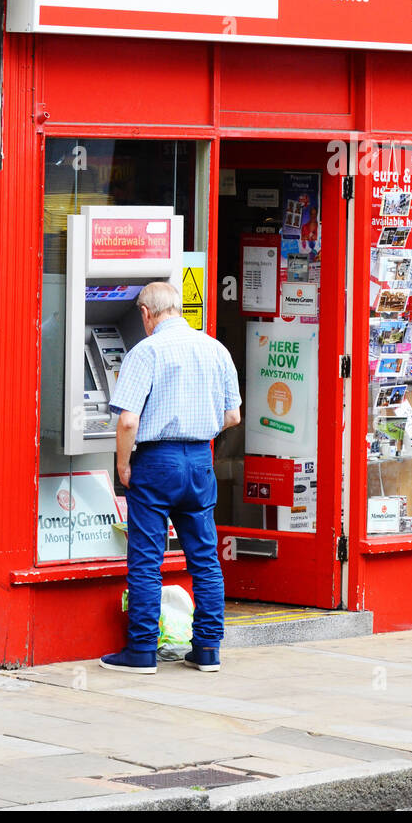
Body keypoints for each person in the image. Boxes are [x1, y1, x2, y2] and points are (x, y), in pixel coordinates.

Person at [100, 281, 241, 675]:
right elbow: (233, 417)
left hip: (156, 461)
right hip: (199, 459)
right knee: (205, 559)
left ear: (146, 314)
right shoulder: (216, 349)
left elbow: (128, 420)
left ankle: (142, 651)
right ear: (177, 309)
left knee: (146, 560)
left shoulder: (146, 352)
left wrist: (124, 465)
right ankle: (208, 649)